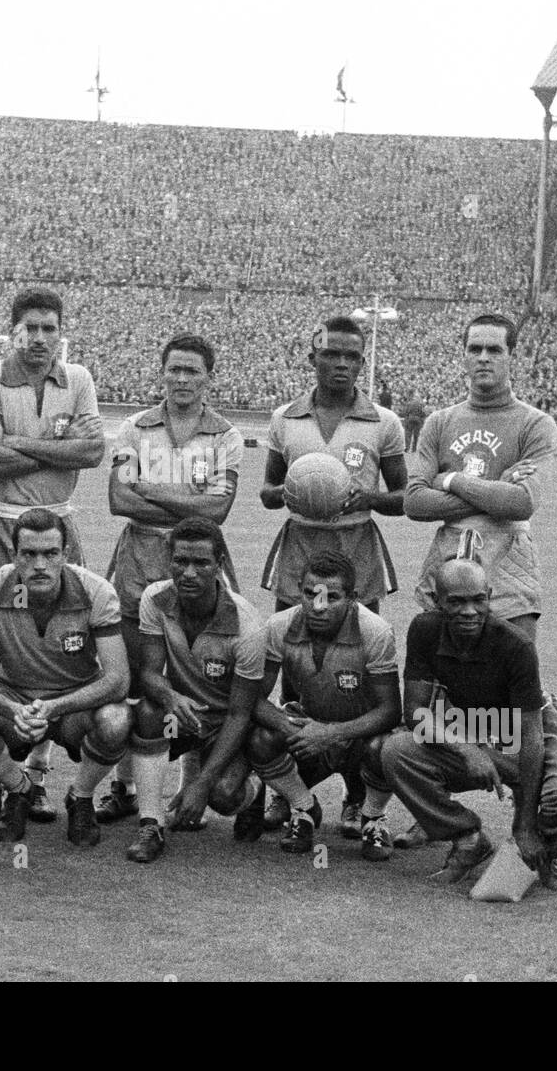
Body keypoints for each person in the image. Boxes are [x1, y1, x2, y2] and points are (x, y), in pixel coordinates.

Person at [0, 288, 105, 827]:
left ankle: (36, 781)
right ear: (12, 331)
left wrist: (23, 442)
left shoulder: (78, 379)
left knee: (56, 653)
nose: (40, 339)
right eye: (30, 329)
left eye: (49, 329)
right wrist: (51, 444)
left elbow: (92, 453)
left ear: (60, 332)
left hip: (57, 523)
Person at [258, 315, 406, 836]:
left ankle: (355, 793)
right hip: (300, 543)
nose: (341, 364)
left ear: (361, 362)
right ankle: (288, 791)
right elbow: (268, 490)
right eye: (331, 355)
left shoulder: (383, 422)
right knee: (291, 661)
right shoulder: (285, 418)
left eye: (351, 357)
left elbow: (402, 498)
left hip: (356, 542)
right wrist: (297, 492)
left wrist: (365, 496)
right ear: (312, 357)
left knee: (360, 669)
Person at [377, 559, 557, 892]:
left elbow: (532, 739)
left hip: (528, 734)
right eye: (457, 601)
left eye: (478, 599)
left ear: (490, 596)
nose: (469, 611)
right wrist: (466, 749)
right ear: (437, 601)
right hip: (472, 729)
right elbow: (415, 712)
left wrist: (523, 825)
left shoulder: (516, 646)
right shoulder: (424, 630)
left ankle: (543, 853)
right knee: (396, 751)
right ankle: (468, 840)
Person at [98, 334, 243, 827]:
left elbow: (218, 510)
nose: (182, 379)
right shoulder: (134, 427)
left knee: (198, 676)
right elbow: (120, 501)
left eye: (192, 371)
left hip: (199, 561)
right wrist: (186, 501)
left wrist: (153, 488)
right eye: (174, 370)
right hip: (139, 559)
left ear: (209, 377)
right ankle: (125, 786)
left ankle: (187, 790)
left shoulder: (225, 435)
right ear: (161, 373)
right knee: (137, 678)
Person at [0, 509, 130, 846]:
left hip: (74, 703)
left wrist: (55, 706)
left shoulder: (97, 591)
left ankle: (81, 796)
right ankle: (20, 789)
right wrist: (14, 710)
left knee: (117, 719)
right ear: (13, 555)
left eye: (50, 553)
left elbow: (118, 680)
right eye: (29, 554)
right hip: (14, 695)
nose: (40, 564)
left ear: (67, 554)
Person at [404, 313, 557, 645]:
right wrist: (495, 487)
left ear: (512, 356)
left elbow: (521, 503)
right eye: (475, 349)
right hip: (448, 557)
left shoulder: (535, 423)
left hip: (509, 557)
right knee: (440, 680)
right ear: (464, 355)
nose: (483, 357)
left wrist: (450, 480)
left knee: (515, 679)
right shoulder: (440, 422)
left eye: (494, 349)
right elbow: (414, 502)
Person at [121, 518, 264, 863]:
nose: (188, 572)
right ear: (168, 560)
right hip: (183, 715)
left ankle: (255, 789)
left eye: (201, 562)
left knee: (223, 796)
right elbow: (150, 674)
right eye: (180, 561)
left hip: (226, 722)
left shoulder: (247, 625)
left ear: (220, 564)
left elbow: (240, 713)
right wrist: (171, 696)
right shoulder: (154, 600)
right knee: (148, 713)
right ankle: (151, 824)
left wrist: (200, 785)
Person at [241, 551, 402, 857]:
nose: (319, 605)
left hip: (358, 734)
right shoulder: (278, 626)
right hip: (307, 727)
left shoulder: (375, 631)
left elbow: (391, 711)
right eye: (310, 594)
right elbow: (253, 699)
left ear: (352, 597)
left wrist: (330, 733)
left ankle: (373, 817)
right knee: (261, 738)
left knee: (386, 746)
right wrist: (290, 726)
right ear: (299, 589)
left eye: (332, 597)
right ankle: (302, 809)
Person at [398, 387, 426, 453]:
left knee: (408, 434)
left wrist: (401, 414)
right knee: (416, 436)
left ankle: (407, 448)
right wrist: (422, 421)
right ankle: (414, 449)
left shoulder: (409, 403)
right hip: (418, 420)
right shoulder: (420, 403)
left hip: (410, 419)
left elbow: (406, 412)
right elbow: (424, 413)